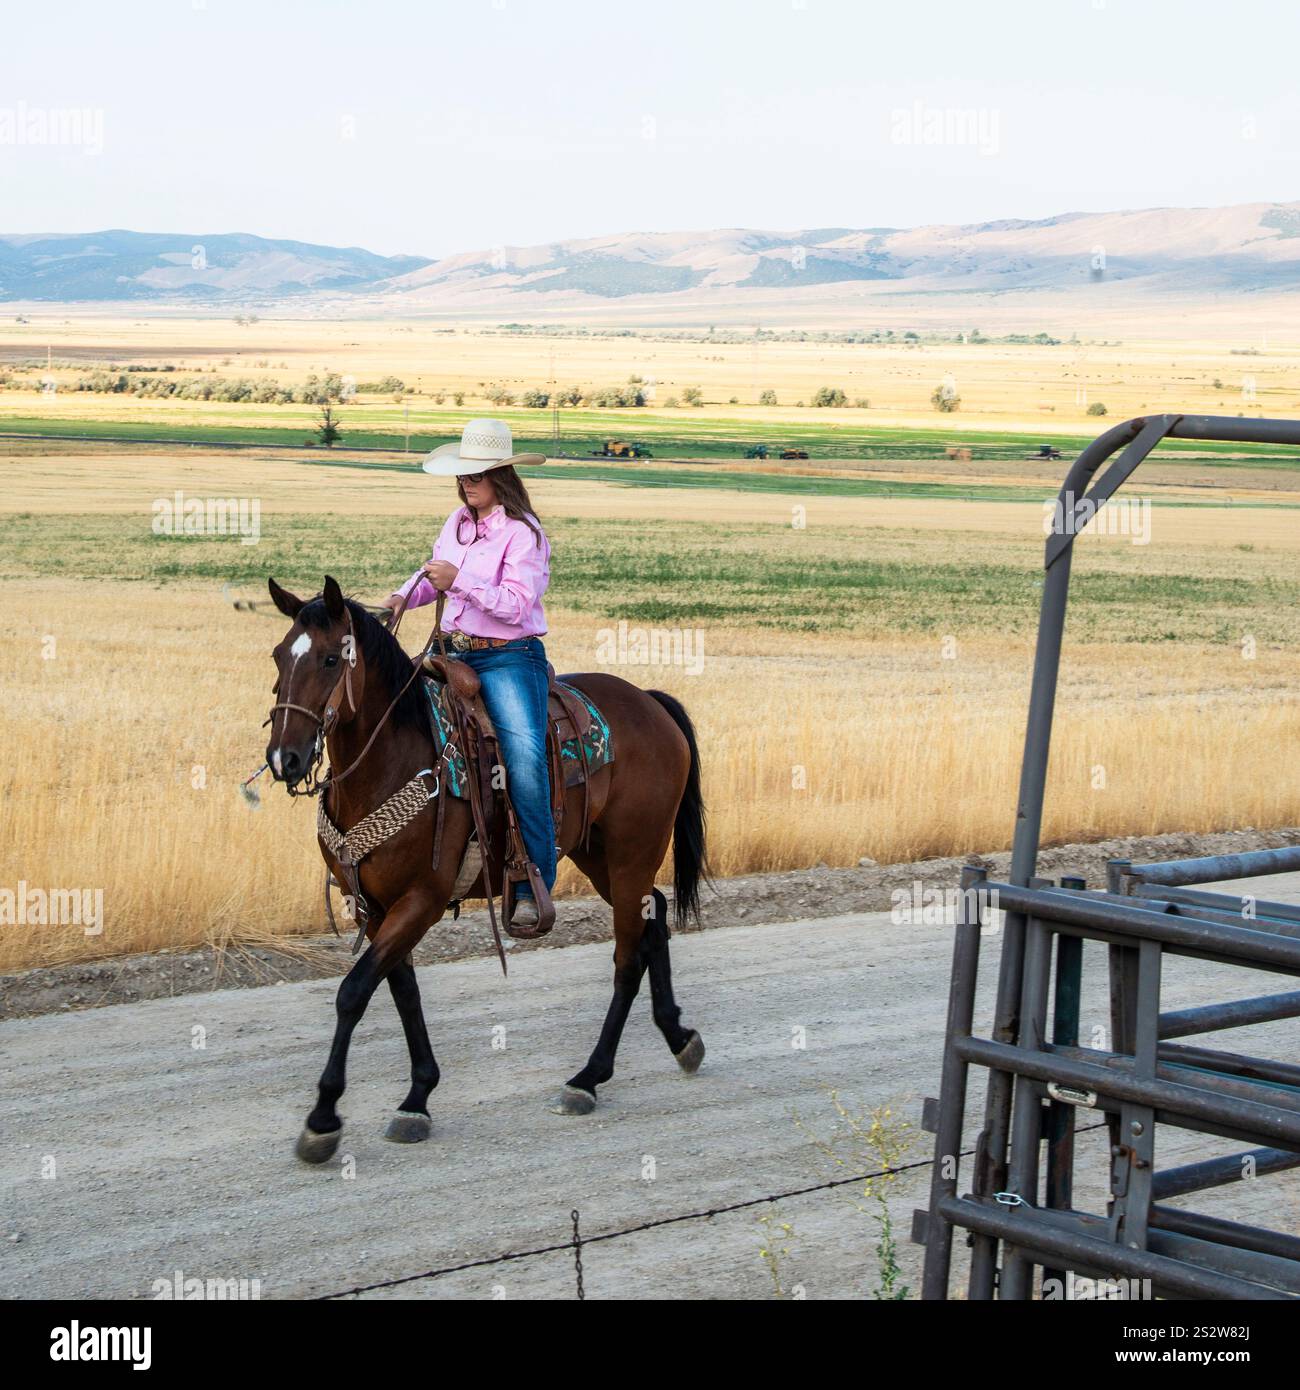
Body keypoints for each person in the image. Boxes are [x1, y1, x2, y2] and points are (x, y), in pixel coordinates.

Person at [386, 418, 553, 928]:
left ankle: (531, 883)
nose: (466, 483)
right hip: (449, 651)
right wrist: (401, 597)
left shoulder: (524, 534)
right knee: (388, 718)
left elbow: (515, 604)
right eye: (463, 475)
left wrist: (461, 581)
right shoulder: (456, 524)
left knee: (524, 758)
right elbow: (431, 576)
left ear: (501, 475)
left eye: (476, 475)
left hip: (506, 657)